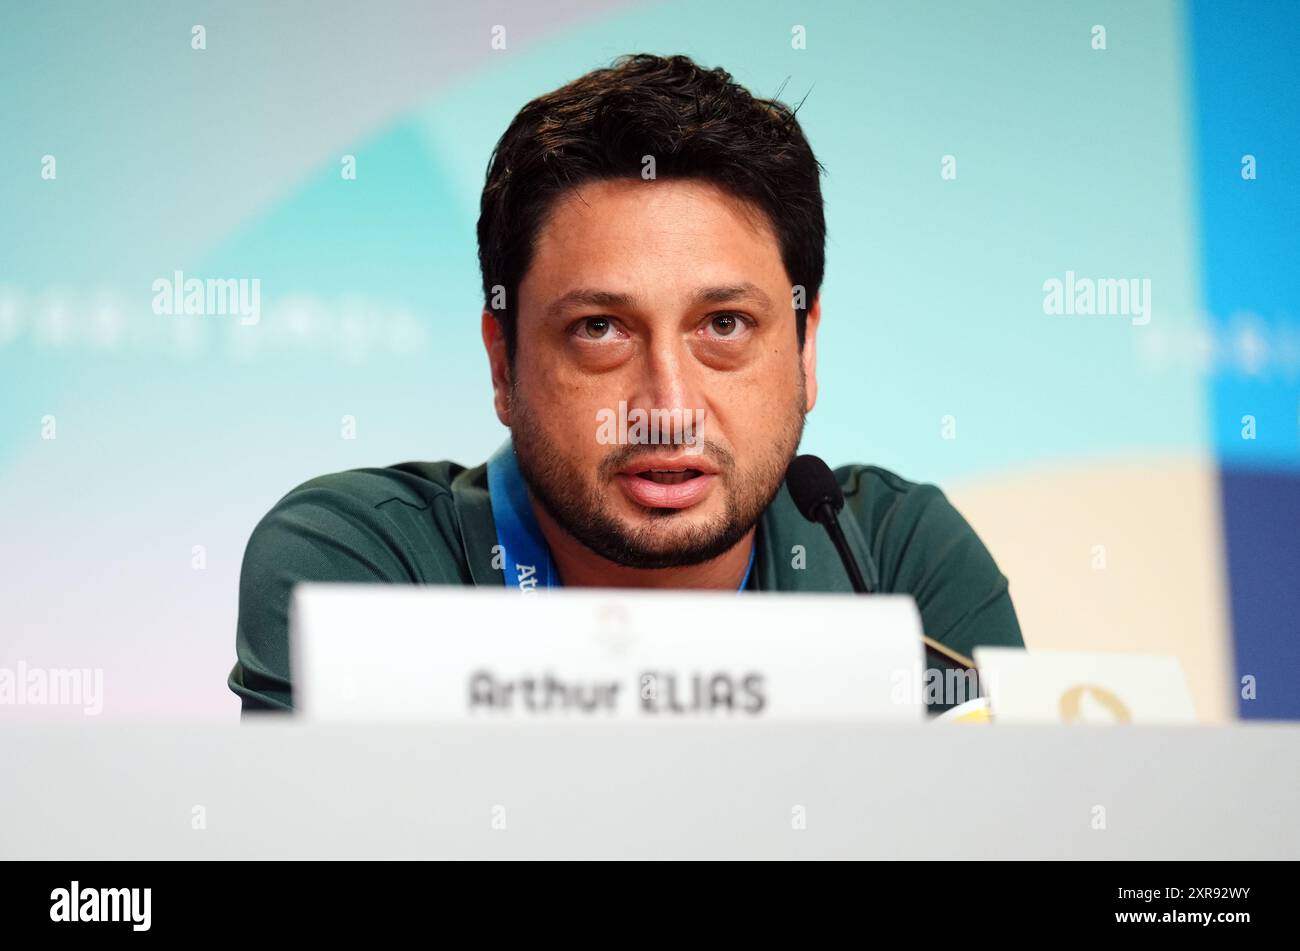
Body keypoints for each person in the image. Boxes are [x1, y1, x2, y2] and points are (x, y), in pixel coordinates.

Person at [228, 53, 1022, 714]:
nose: (669, 410)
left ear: (806, 348)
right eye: (600, 329)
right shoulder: (362, 568)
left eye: (724, 325)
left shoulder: (894, 563)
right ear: (503, 363)